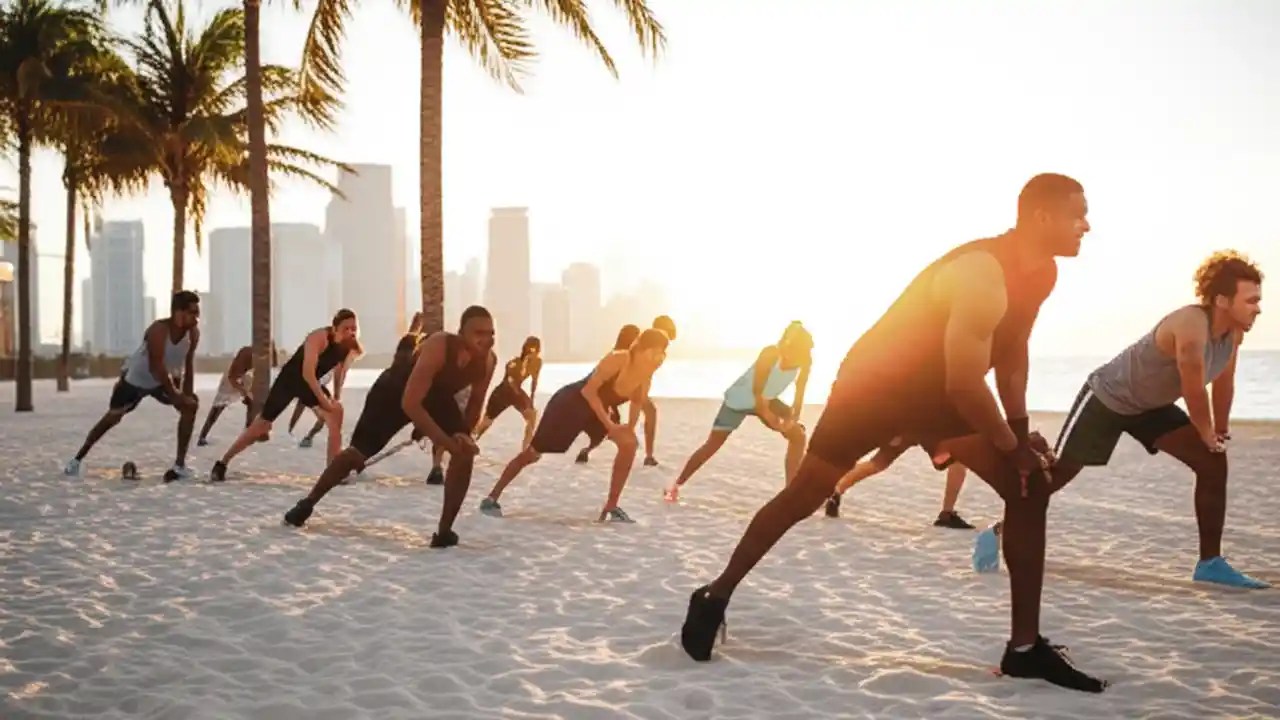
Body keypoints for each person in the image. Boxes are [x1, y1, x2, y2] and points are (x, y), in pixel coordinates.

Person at [677, 174, 1107, 693]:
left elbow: (1012, 354)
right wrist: (1010, 445)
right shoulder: (981, 272)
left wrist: (1017, 432)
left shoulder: (1043, 274)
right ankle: (715, 594)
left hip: (940, 395)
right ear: (1040, 216)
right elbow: (967, 381)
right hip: (875, 386)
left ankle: (1023, 651)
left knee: (1029, 488)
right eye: (1076, 213)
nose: (1086, 224)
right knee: (804, 496)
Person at [973, 251, 1266, 588]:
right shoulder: (1191, 325)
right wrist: (1205, 430)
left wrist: (1220, 430)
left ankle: (1210, 563)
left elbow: (1224, 382)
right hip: (1107, 399)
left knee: (1213, 462)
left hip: (1150, 407)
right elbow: (1193, 386)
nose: (1258, 308)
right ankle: (995, 533)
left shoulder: (1233, 335)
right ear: (1222, 300)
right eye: (1251, 300)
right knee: (1052, 479)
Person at [281, 306, 496, 549]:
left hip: (437, 397)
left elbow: (476, 404)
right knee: (356, 454)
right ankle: (307, 503)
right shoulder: (440, 345)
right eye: (479, 332)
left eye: (491, 334)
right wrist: (444, 442)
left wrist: (463, 435)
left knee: (464, 452)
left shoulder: (488, 361)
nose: (486, 339)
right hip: (393, 391)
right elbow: (410, 403)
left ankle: (444, 532)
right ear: (461, 333)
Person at [480, 328, 670, 523]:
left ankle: (612, 506)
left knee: (629, 444)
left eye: (663, 353)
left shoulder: (645, 377)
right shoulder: (619, 359)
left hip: (597, 411)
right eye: (656, 352)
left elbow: (636, 403)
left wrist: (628, 429)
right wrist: (610, 425)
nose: (660, 358)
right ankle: (491, 498)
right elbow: (589, 391)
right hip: (570, 404)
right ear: (642, 349)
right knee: (532, 454)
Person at [664, 322, 814, 502]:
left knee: (798, 435)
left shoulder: (806, 360)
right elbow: (757, 395)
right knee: (713, 444)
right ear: (786, 344)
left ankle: (791, 491)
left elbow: (800, 391)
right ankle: (676, 485)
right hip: (741, 399)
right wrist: (774, 421)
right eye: (792, 351)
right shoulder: (771, 353)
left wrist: (793, 417)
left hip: (769, 398)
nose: (795, 357)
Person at [64, 291, 202, 482]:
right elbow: (157, 367)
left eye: (198, 313)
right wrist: (176, 395)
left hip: (164, 381)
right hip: (136, 380)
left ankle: (179, 466)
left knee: (191, 406)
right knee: (112, 418)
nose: (196, 318)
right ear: (178, 313)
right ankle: (77, 459)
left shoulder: (193, 334)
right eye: (192, 313)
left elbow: (188, 364)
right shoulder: (158, 330)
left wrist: (187, 395)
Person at [209, 309, 362, 482]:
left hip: (310, 385)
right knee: (260, 426)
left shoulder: (348, 347)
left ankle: (333, 470)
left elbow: (339, 373)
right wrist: (323, 402)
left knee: (336, 414)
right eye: (346, 328)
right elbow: (307, 374)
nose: (351, 332)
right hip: (290, 381)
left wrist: (335, 397)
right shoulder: (318, 337)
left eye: (354, 328)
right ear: (335, 328)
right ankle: (222, 463)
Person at [576, 315, 676, 466]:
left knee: (649, 411)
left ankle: (649, 455)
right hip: (618, 387)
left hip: (634, 387)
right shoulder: (642, 341)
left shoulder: (657, 350)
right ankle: (588, 450)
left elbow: (646, 376)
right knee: (610, 423)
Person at [824, 451, 978, 529]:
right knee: (958, 460)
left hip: (909, 417)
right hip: (929, 422)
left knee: (879, 463)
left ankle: (837, 489)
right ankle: (947, 513)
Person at [473, 335, 543, 448]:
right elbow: (510, 380)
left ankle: (526, 447)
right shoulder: (514, 362)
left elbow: (534, 381)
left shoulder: (537, 363)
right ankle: (470, 439)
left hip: (517, 393)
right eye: (530, 350)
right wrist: (518, 393)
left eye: (535, 350)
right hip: (502, 393)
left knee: (532, 416)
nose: (533, 353)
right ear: (525, 349)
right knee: (486, 423)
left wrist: (531, 400)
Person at [196, 345, 253, 447]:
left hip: (245, 377)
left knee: (252, 402)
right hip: (231, 379)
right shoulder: (247, 352)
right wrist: (244, 393)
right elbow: (232, 377)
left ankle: (248, 431)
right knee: (217, 408)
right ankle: (202, 436)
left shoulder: (265, 354)